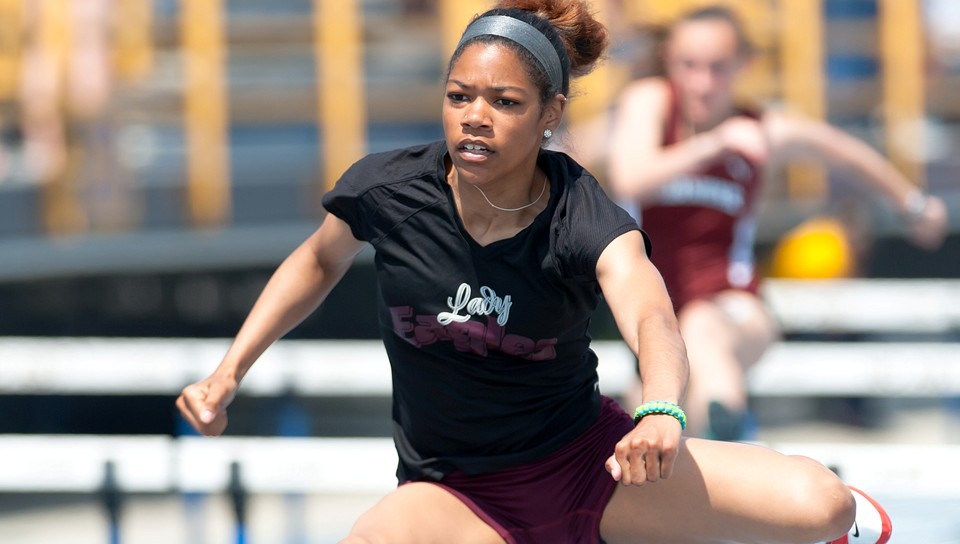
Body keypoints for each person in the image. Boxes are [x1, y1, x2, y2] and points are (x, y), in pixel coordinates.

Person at [177, 1, 891, 542]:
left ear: (550, 113)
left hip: (592, 470)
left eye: (504, 102)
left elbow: (650, 312)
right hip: (455, 491)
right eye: (460, 96)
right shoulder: (388, 190)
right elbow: (317, 258)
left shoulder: (582, 211)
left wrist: (664, 408)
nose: (475, 118)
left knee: (822, 504)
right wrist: (228, 371)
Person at [603, 5, 949, 441]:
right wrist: (715, 143)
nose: (702, 83)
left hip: (734, 303)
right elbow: (631, 177)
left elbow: (844, 153)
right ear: (670, 61)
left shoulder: (762, 128)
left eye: (718, 68)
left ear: (745, 65)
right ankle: (730, 458)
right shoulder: (651, 102)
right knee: (653, 417)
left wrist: (912, 205)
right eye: (689, 66)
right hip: (655, 313)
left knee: (702, 329)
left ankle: (734, 451)